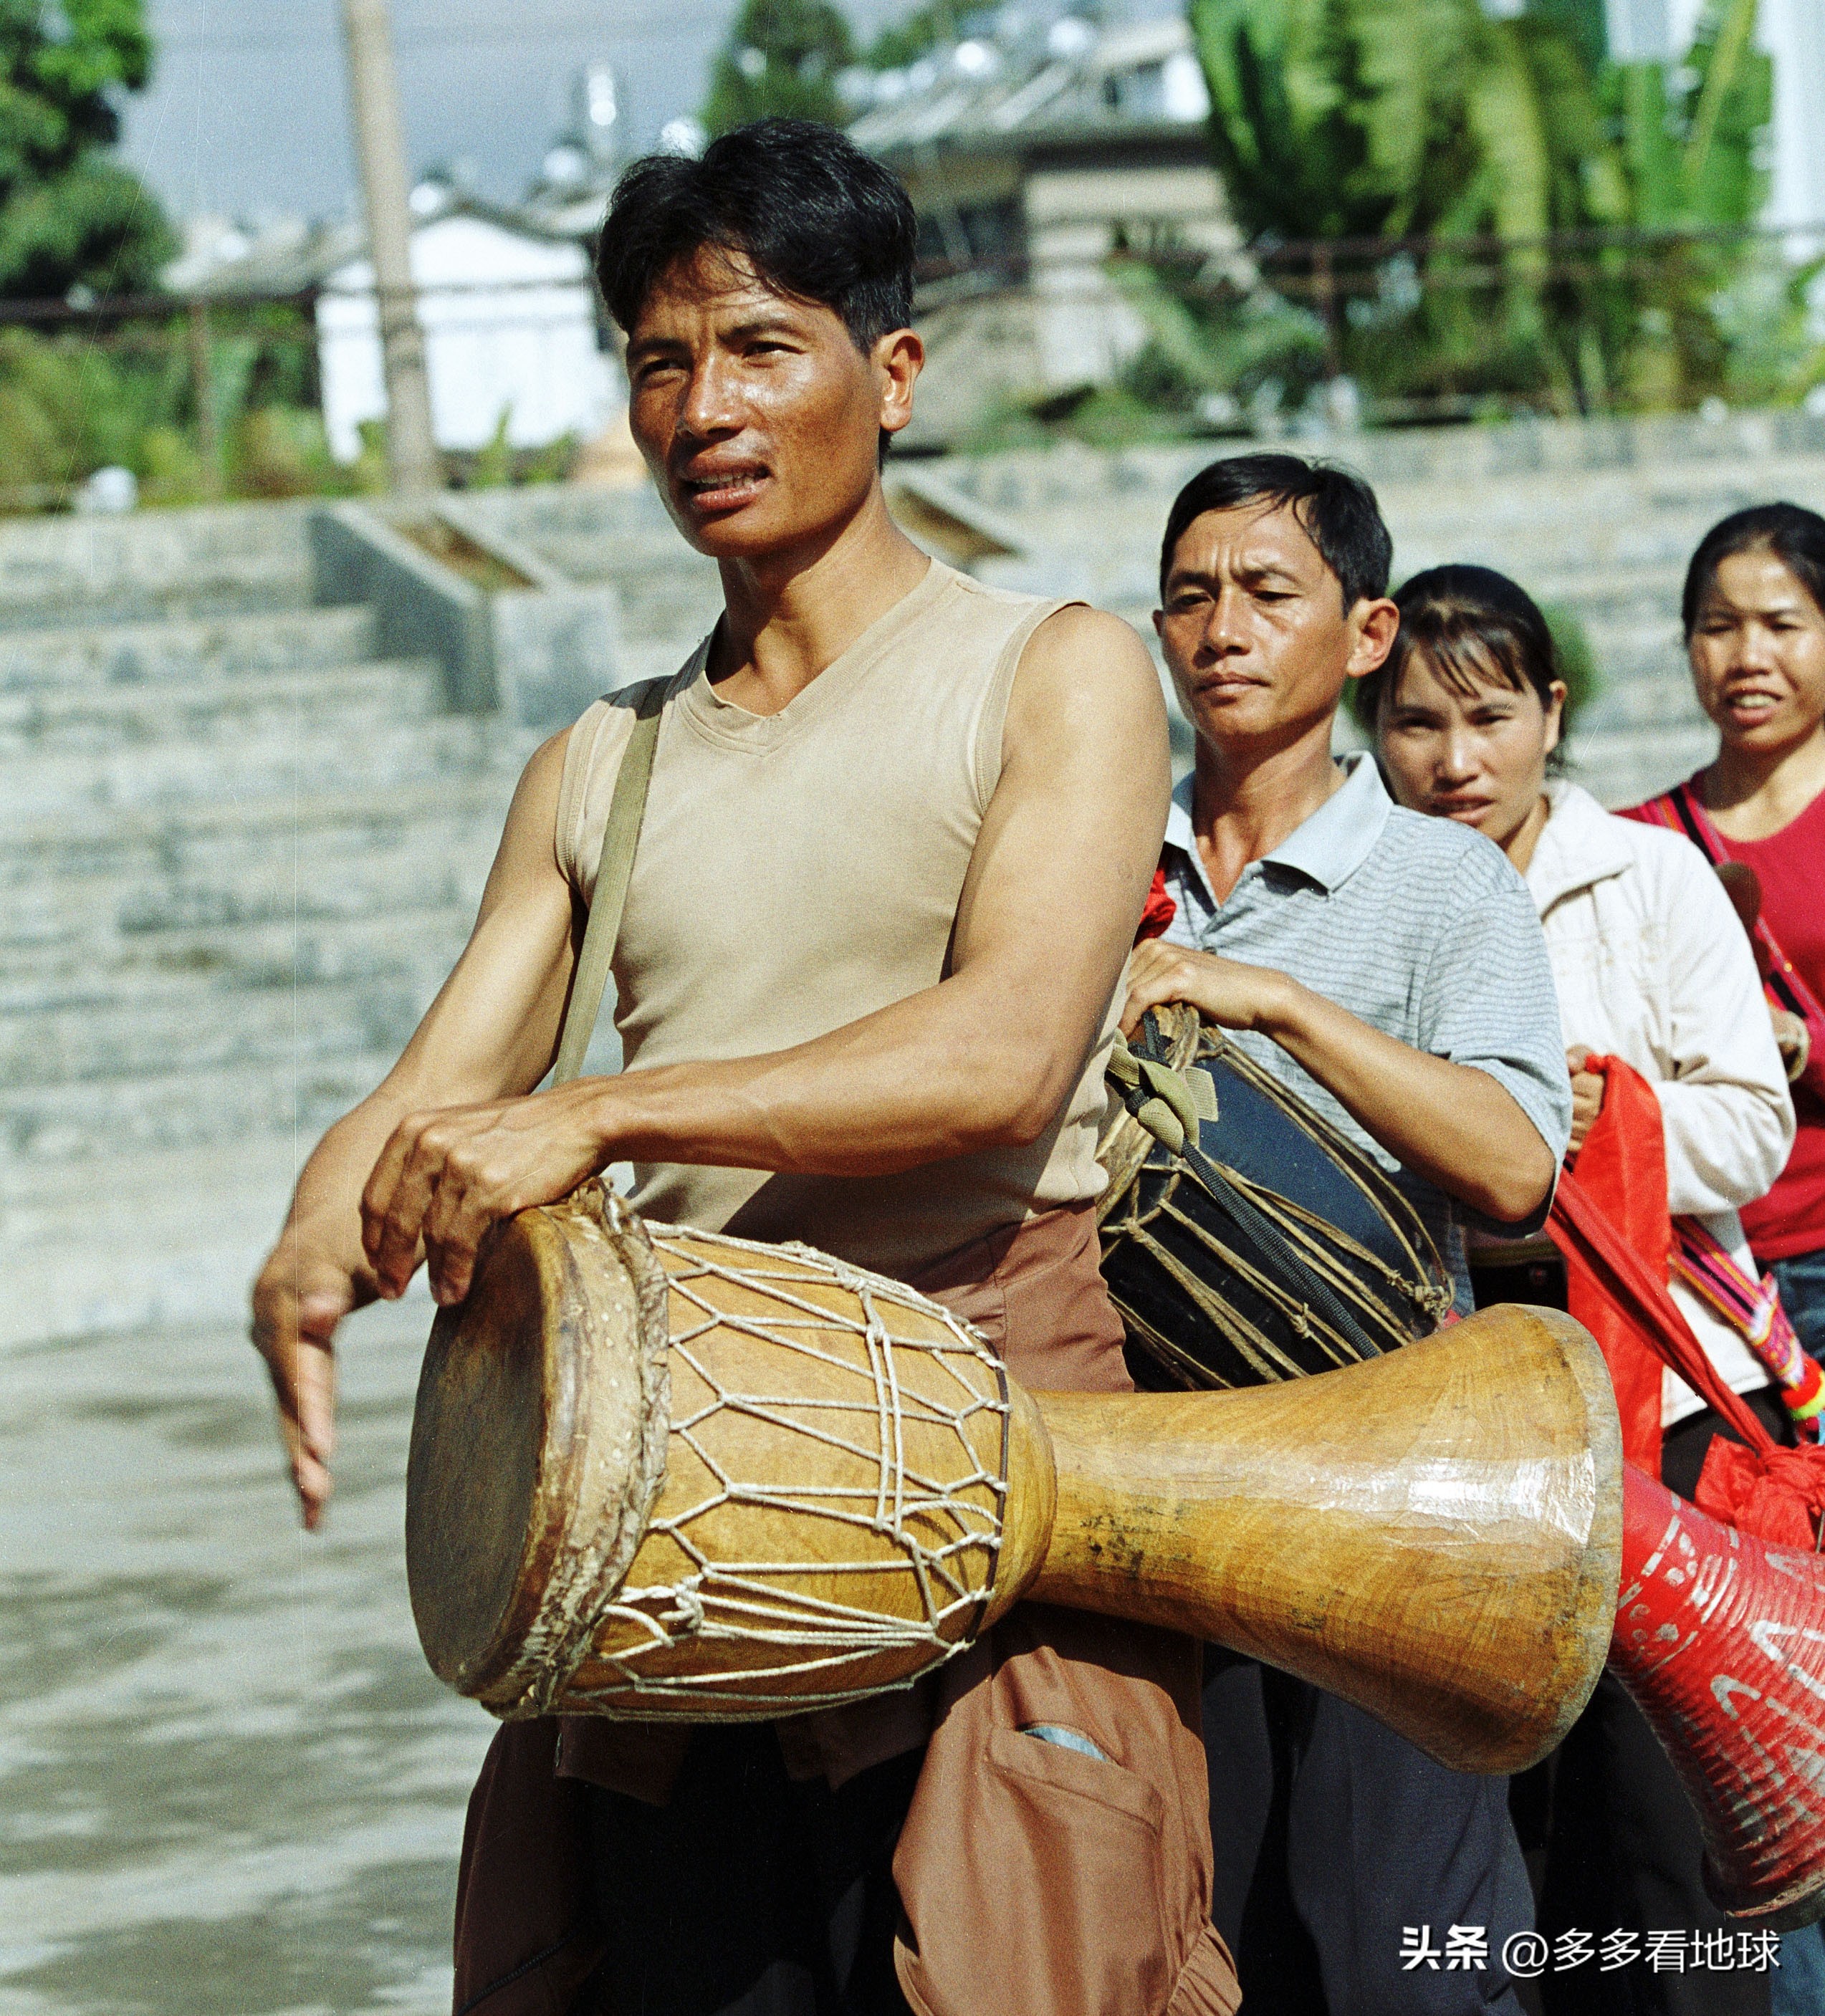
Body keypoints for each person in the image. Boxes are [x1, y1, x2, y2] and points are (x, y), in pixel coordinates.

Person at [249, 120, 1235, 2016]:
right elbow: (435, 1080)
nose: (699, 404)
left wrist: (605, 1110)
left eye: (759, 344)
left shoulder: (1052, 669)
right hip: (676, 1513)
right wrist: (315, 1232)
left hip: (991, 1463)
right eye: (656, 357)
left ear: (895, 371)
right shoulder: (599, 761)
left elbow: (1002, 1052)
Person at [1122, 454, 1573, 2015]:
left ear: (1365, 632)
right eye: (1187, 597)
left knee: (1410, 1967)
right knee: (1214, 1955)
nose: (1219, 630)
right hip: (1160, 1504)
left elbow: (1513, 1166)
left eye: (1264, 593)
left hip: (1400, 1504)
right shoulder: (1096, 868)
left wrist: (1283, 1006)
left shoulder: (1445, 881)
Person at [1366, 561, 1797, 2016]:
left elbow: (1751, 1124)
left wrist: (1564, 1125)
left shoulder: (1648, 875)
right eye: (1415, 721)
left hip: (1661, 1397)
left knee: (1661, 1820)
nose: (1452, 758)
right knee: (1508, 1813)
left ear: (1548, 714)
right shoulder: (1370, 891)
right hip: (1461, 1413)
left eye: (1485, 715)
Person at [1621, 504, 1825, 2016]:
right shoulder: (1636, 848)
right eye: (1714, 624)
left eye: (1777, 622)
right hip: (1709, 1317)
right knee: (1759, 1686)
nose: (1740, 655)